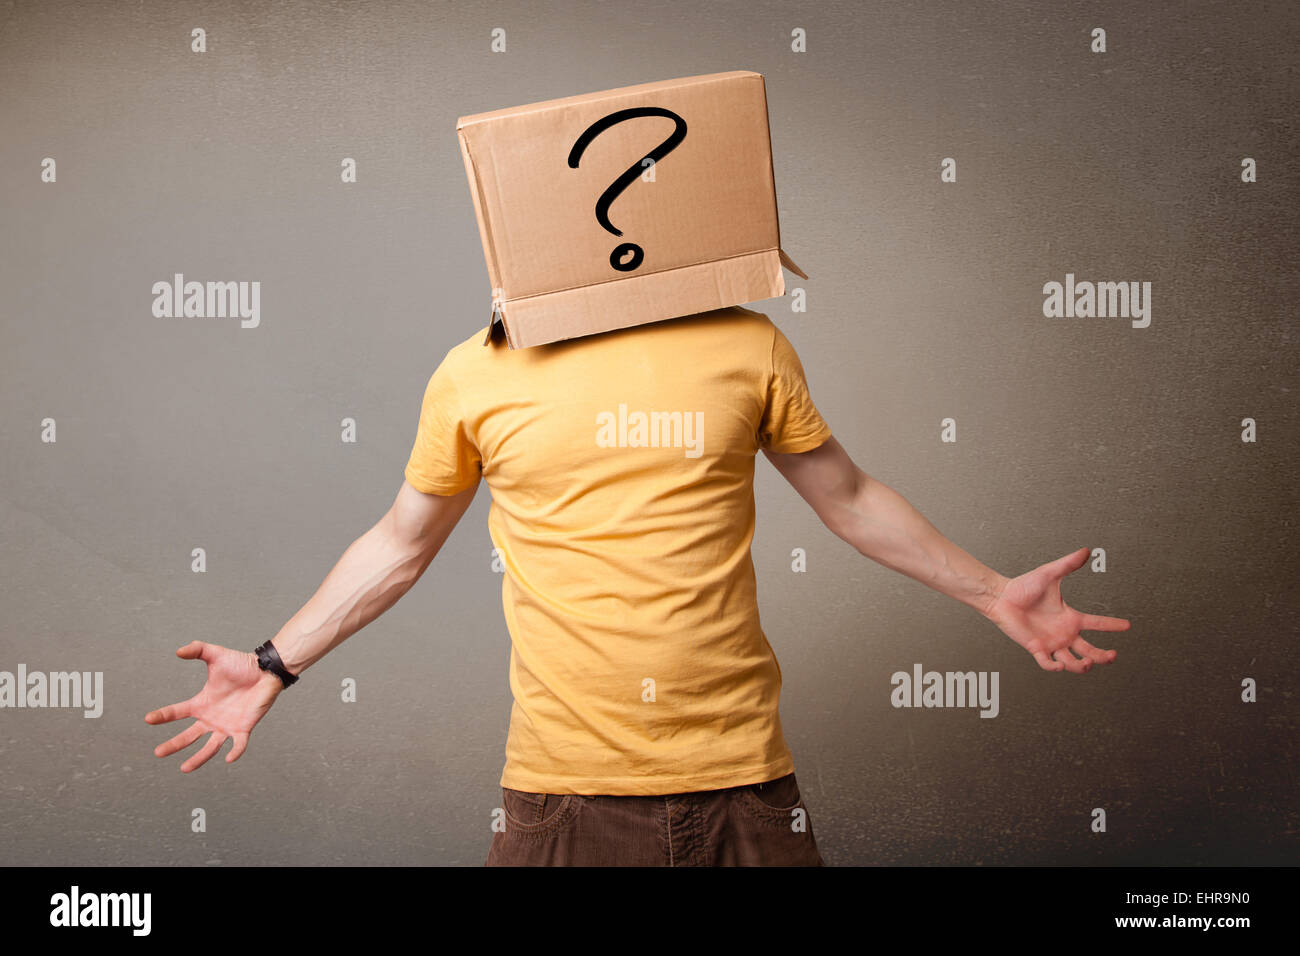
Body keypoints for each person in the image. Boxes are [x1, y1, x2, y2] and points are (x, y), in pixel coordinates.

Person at [145, 305, 1128, 866]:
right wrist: (275, 659)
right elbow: (402, 542)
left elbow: (849, 495)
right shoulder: (476, 371)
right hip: (563, 794)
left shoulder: (746, 343)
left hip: (746, 784)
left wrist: (991, 590)